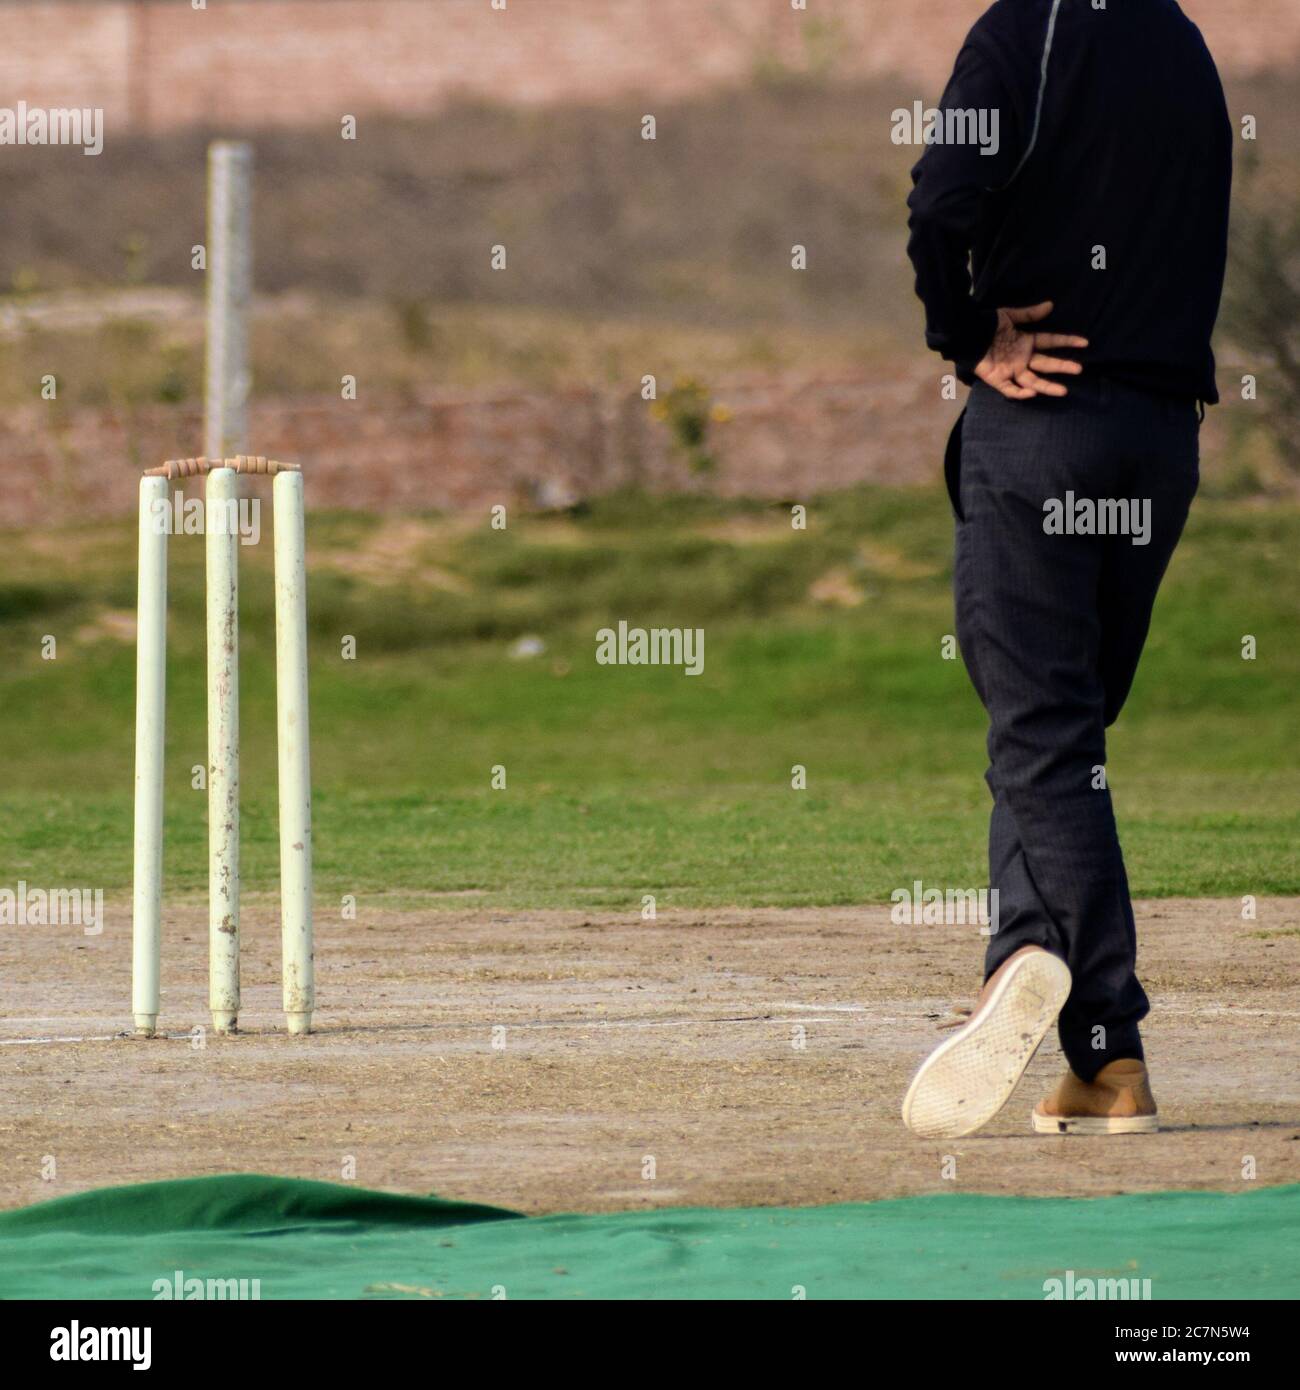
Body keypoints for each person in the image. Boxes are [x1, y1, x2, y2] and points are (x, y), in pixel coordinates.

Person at [899, 0, 1232, 1138]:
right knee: (1061, 736)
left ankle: (1106, 1040)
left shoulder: (1024, 29)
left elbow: (938, 205)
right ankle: (1033, 966)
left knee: (1042, 731)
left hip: (1047, 420)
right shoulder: (1182, 43)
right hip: (1162, 439)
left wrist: (967, 338)